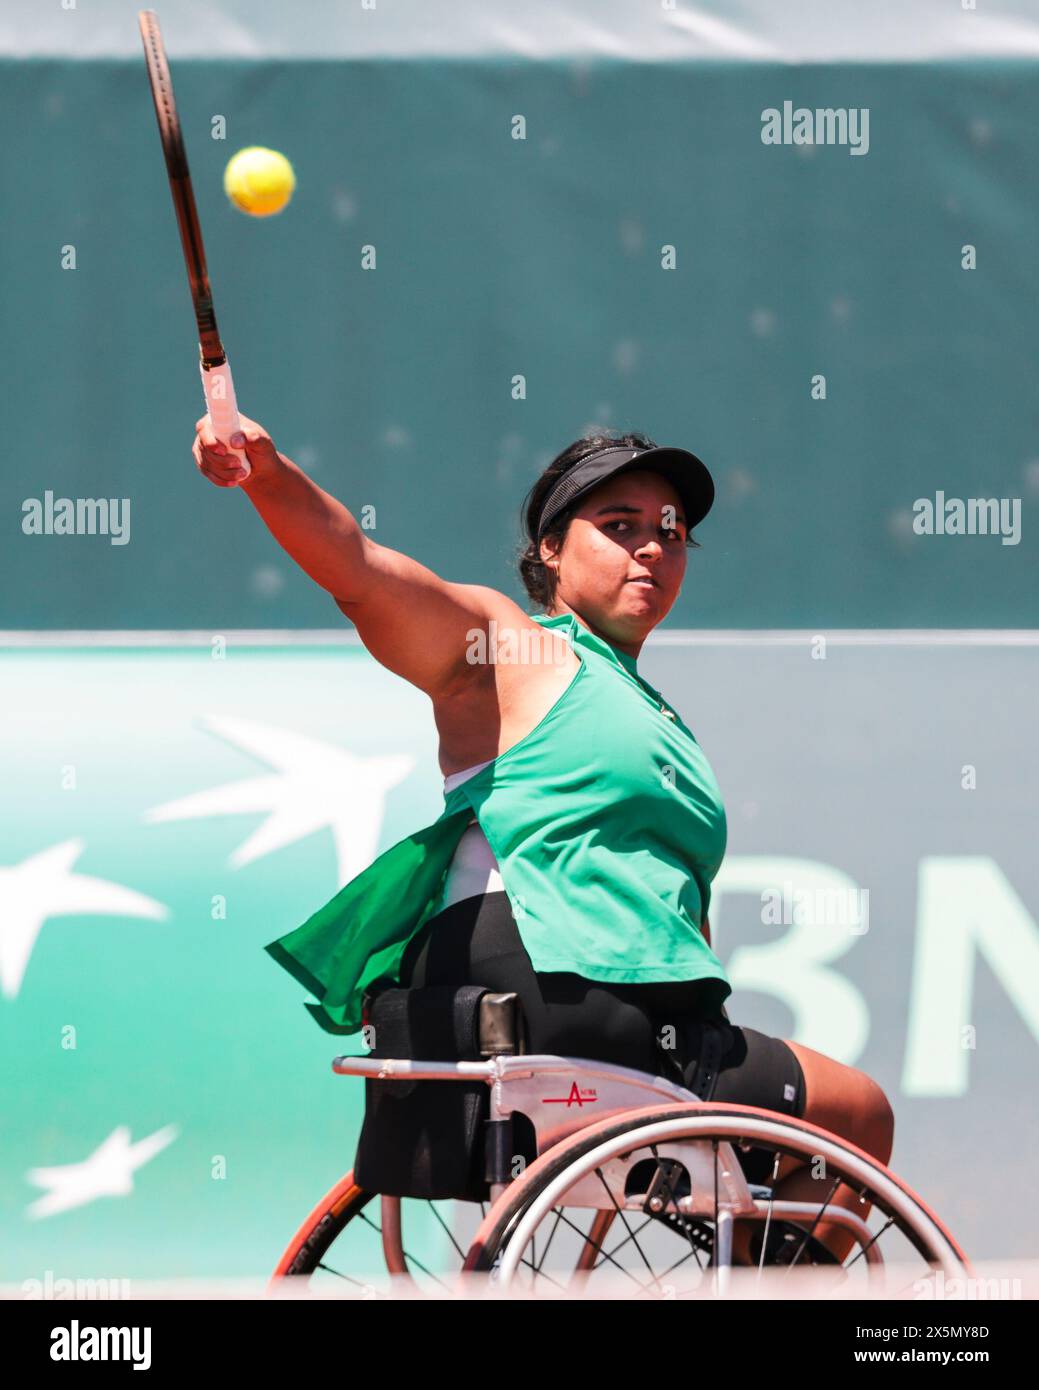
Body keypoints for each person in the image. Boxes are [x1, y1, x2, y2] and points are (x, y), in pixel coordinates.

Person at [192, 417, 894, 1264]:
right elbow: (363, 574)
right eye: (620, 525)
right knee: (858, 1112)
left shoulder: (650, 711)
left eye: (669, 532)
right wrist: (266, 477)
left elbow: (676, 920)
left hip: (593, 1006)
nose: (650, 549)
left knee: (772, 1176)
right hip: (553, 992)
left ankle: (750, 1274)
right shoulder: (512, 648)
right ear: (551, 552)